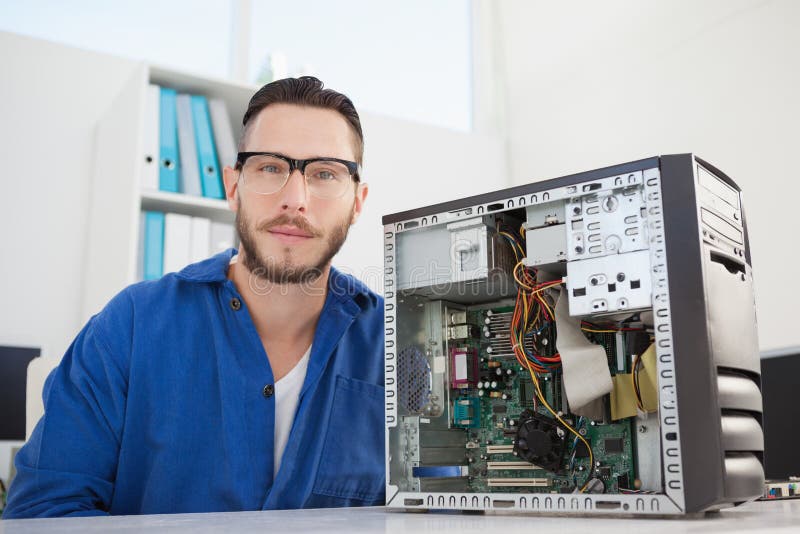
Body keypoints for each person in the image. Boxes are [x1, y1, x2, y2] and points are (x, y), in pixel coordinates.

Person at [3, 77, 385, 518]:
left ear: (357, 202)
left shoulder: (398, 345)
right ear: (233, 186)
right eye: (270, 167)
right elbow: (41, 512)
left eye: (324, 174)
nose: (294, 200)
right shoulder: (129, 326)